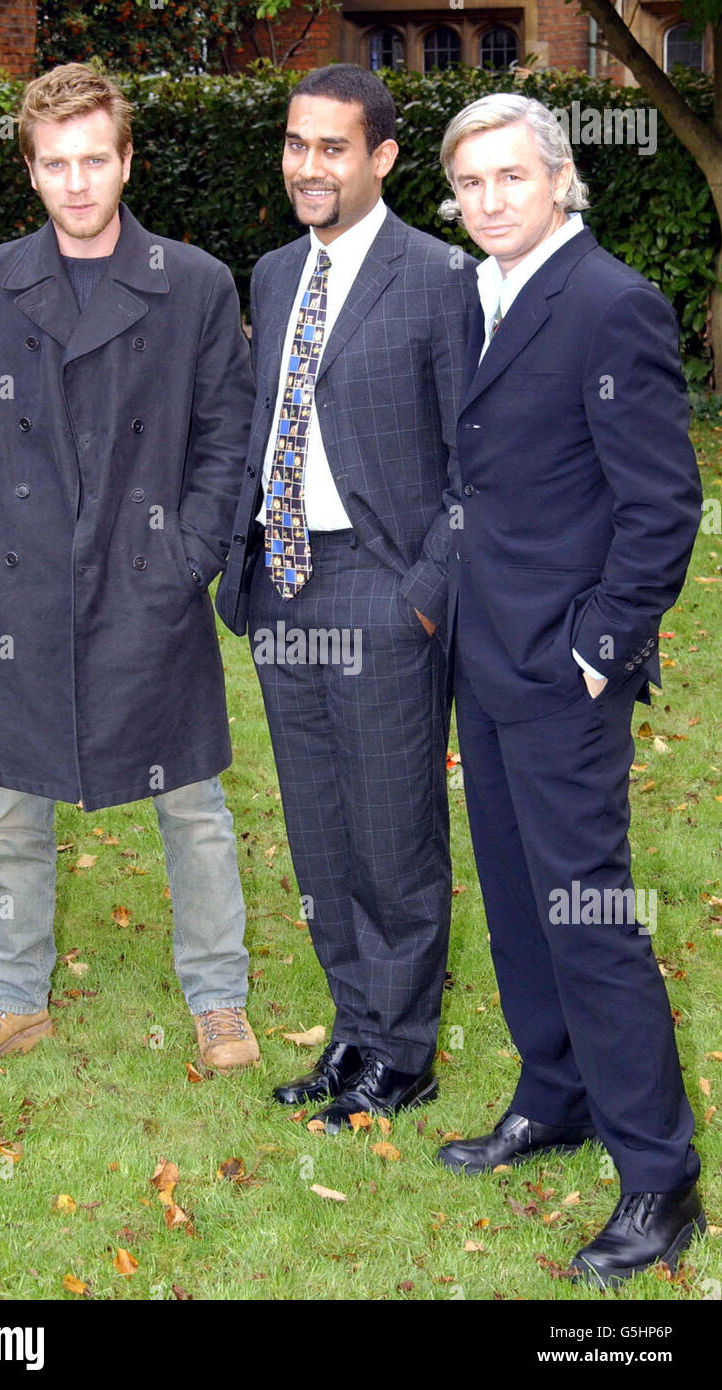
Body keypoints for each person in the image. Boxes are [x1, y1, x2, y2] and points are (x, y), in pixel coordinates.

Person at [0, 63, 259, 1075]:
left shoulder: (193, 284)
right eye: (56, 163)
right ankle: (14, 996)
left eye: (95, 161)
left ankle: (219, 999)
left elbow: (224, 441)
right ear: (31, 170)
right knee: (12, 809)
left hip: (144, 580)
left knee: (192, 804)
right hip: (24, 585)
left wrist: (186, 555)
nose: (77, 182)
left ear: (126, 161)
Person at [431, 93, 704, 1285]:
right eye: (470, 183)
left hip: (563, 672)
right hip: (483, 662)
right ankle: (555, 1097)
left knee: (590, 915)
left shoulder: (608, 303)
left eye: (509, 179)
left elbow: (662, 504)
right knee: (515, 900)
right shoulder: (478, 295)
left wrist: (597, 645)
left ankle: (660, 1178)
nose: (489, 201)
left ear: (559, 181)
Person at [217, 64, 474, 1133]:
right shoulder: (274, 273)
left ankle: (403, 1055)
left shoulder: (438, 276)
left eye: (331, 147)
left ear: (381, 159)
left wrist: (421, 592)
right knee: (322, 834)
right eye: (293, 143)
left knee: (391, 832)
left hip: (381, 585)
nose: (307, 166)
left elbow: (479, 462)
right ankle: (355, 1029)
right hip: (284, 584)